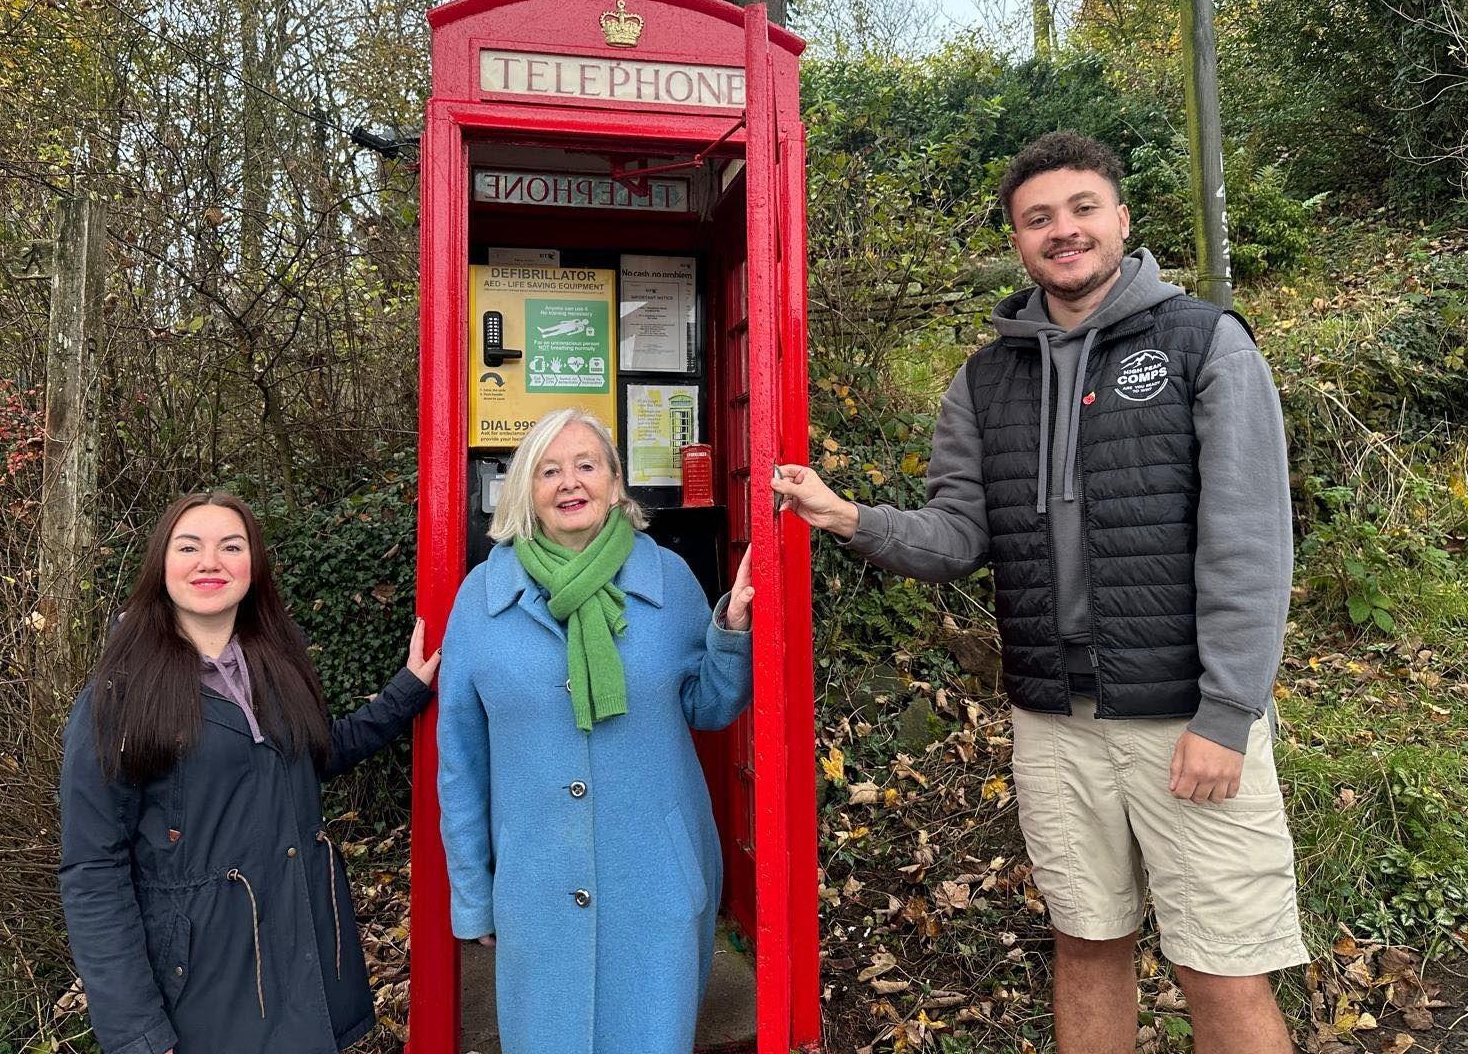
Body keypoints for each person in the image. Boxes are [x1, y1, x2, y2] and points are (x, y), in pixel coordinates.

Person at [773, 131, 1308, 1054]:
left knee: (1220, 963)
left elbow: (1250, 542)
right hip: (1054, 720)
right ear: (1019, 242)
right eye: (1039, 219)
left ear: (1121, 220)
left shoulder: (1203, 343)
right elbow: (958, 537)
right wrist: (850, 518)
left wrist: (1228, 711)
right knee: (1087, 941)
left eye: (1081, 209)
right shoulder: (986, 378)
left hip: (1184, 716)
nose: (1064, 231)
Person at [58, 490, 440, 1054]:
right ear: (161, 564)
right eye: (190, 547)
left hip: (302, 959)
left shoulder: (277, 664)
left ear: (253, 566)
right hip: (203, 994)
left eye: (230, 547)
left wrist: (403, 694)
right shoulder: (118, 698)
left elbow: (313, 757)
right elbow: (93, 869)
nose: (210, 562)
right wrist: (137, 1031)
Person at [436, 407, 755, 1054]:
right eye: (548, 470)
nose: (569, 481)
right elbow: (459, 759)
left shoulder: (668, 580)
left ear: (615, 483)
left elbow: (711, 709)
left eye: (586, 465)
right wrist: (471, 893)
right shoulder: (479, 599)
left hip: (657, 878)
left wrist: (734, 631)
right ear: (527, 489)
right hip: (537, 881)